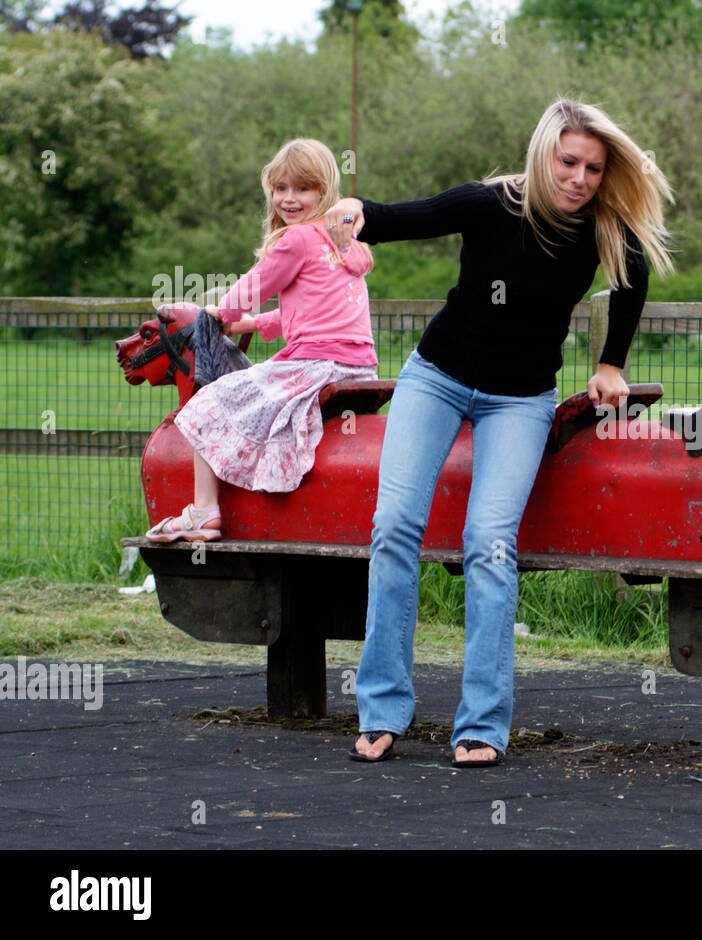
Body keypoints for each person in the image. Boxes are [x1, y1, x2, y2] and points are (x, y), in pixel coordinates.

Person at [326, 99, 674, 765]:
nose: (579, 178)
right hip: (437, 377)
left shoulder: (607, 227)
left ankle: (481, 724)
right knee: (395, 523)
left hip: (520, 400)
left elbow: (631, 285)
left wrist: (610, 365)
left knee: (489, 543)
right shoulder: (491, 203)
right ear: (544, 153)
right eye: (567, 161)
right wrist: (356, 214)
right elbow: (406, 217)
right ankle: (381, 709)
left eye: (593, 169)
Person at [145, 138, 378, 543]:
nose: (289, 199)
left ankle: (203, 512)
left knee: (207, 405)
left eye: (302, 189)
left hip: (316, 364)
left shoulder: (298, 239)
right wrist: (250, 325)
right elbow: (307, 313)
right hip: (358, 365)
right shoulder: (343, 245)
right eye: (280, 188)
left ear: (325, 192)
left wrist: (223, 313)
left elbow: (256, 283)